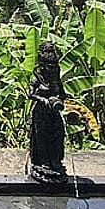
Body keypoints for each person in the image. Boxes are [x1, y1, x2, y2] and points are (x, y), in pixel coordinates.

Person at [28, 41, 68, 183]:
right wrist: (43, 100)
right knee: (42, 137)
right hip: (41, 113)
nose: (52, 69)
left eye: (54, 66)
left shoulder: (55, 80)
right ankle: (43, 162)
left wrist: (58, 99)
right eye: (50, 66)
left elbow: (63, 94)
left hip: (54, 112)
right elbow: (30, 94)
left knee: (57, 136)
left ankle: (55, 161)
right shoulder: (37, 78)